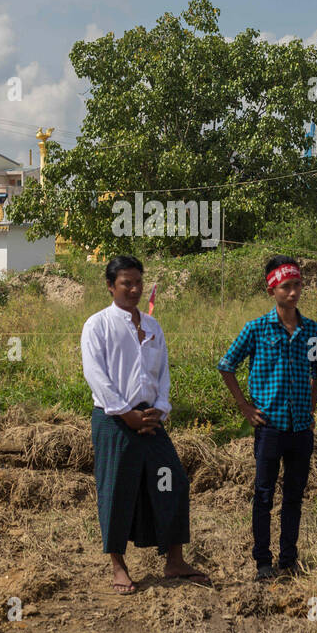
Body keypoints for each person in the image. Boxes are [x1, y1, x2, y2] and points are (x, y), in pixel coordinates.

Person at [80, 255, 210, 595]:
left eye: (138, 282)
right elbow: (96, 376)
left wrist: (160, 409)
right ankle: (118, 565)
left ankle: (175, 560)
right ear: (110, 286)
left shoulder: (152, 326)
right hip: (114, 421)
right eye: (127, 283)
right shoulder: (98, 325)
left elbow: (162, 373)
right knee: (117, 489)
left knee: (173, 481)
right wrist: (126, 413)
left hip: (151, 421)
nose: (135, 289)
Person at [218, 256, 317, 581]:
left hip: (300, 430)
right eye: (286, 287)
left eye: (297, 286)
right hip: (269, 427)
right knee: (264, 494)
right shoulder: (257, 329)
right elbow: (227, 365)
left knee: (294, 495)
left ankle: (288, 558)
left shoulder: (311, 331)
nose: (293, 293)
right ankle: (263, 561)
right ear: (272, 290)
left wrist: (310, 408)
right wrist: (245, 407)